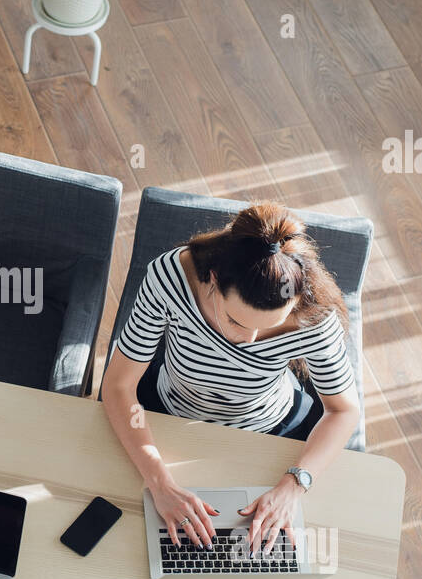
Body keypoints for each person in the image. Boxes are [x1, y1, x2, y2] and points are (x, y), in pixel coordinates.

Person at [102, 202, 360, 555]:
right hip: (167, 412)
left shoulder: (312, 316)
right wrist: (159, 482)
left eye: (268, 327)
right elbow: (118, 385)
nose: (251, 340)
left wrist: (293, 485)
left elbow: (343, 412)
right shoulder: (169, 277)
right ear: (212, 279)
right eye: (238, 322)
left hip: (270, 430)